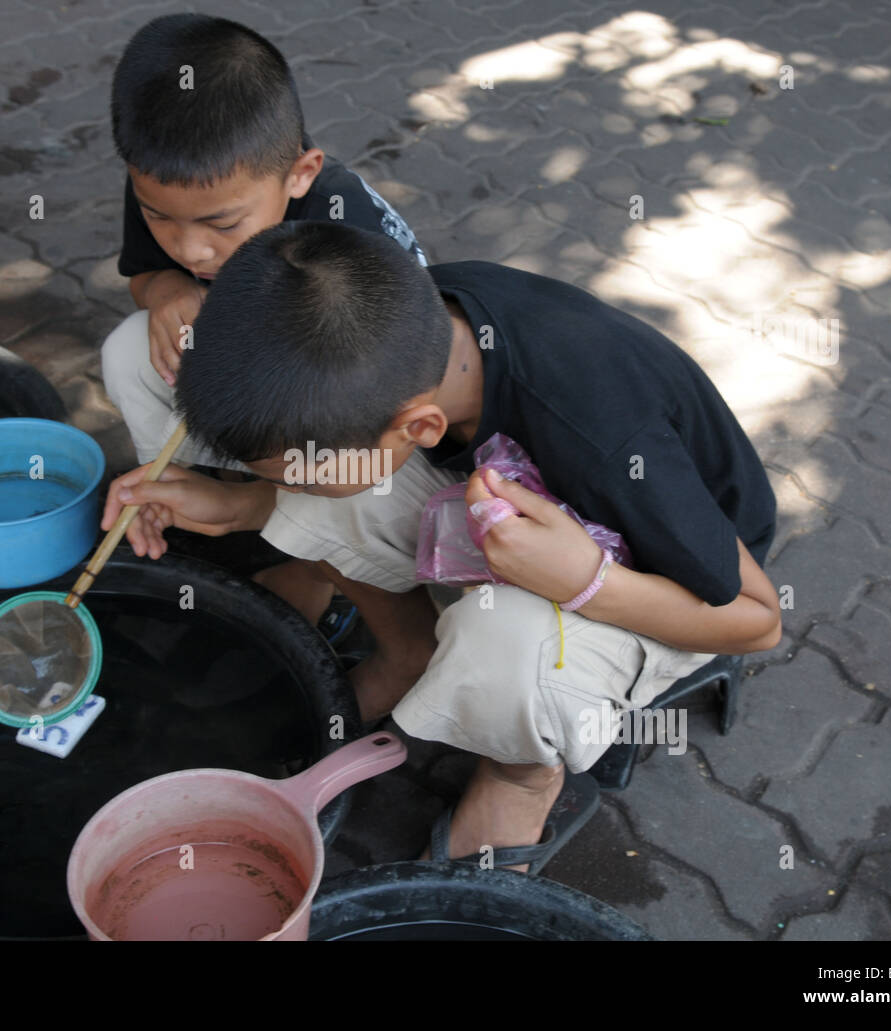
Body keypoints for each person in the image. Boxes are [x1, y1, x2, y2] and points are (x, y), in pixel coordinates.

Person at [102, 221, 782, 874]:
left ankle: (519, 778)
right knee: (349, 484)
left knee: (506, 635)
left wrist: (584, 580)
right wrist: (237, 504)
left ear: (420, 426)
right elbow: (330, 469)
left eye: (294, 476)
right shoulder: (398, 323)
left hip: (667, 573)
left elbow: (757, 620)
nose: (289, 488)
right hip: (522, 505)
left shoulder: (604, 436)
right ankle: (409, 649)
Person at [101, 12, 426, 635]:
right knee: (127, 350)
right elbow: (145, 274)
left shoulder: (345, 227)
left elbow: (378, 411)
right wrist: (165, 289)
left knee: (341, 487)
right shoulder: (176, 182)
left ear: (300, 174)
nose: (190, 249)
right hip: (254, 381)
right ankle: (184, 496)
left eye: (222, 226)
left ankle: (319, 569)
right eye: (159, 217)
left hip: (355, 414)